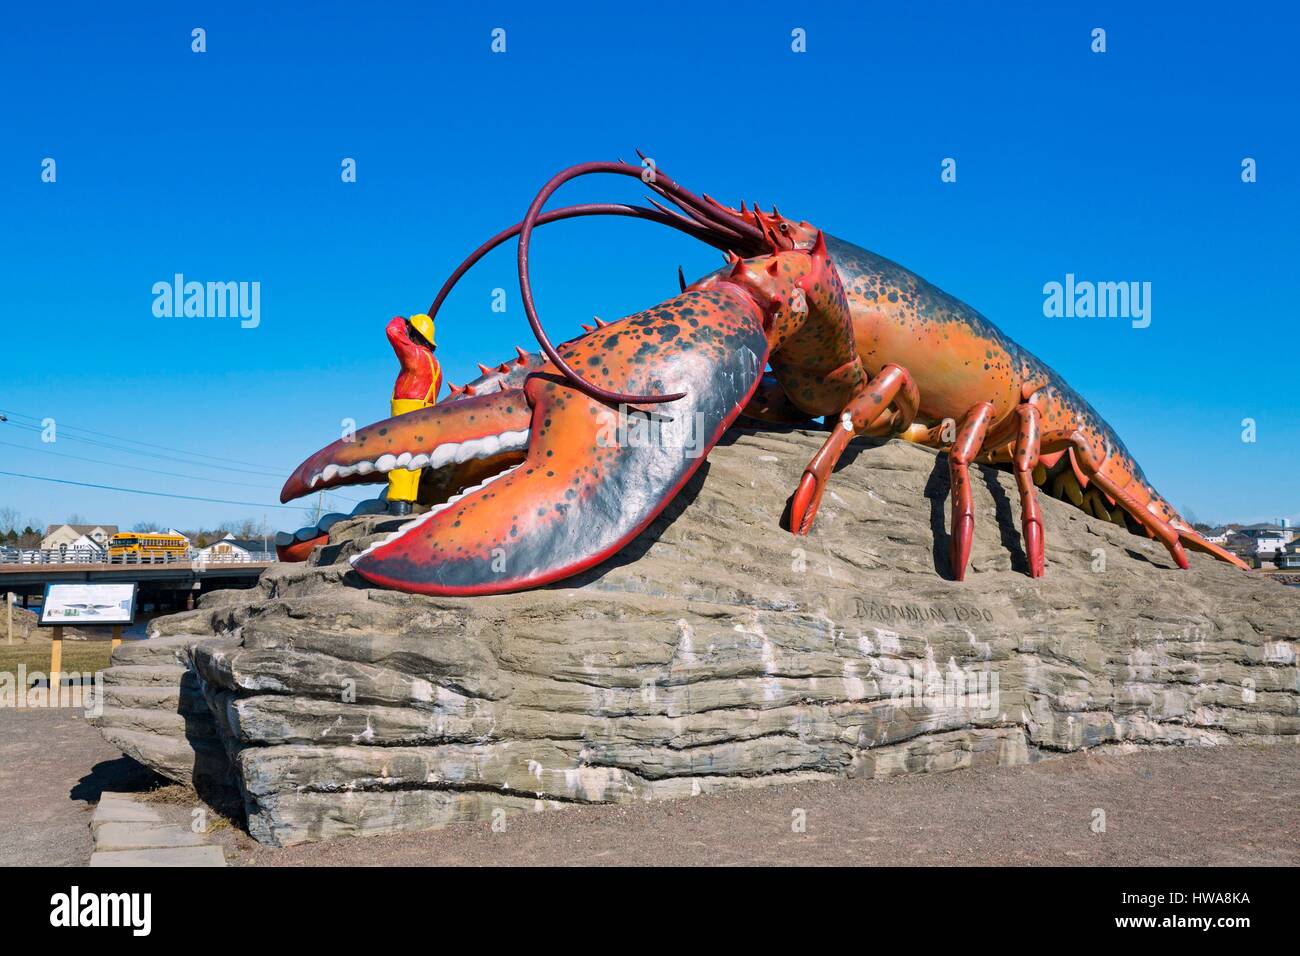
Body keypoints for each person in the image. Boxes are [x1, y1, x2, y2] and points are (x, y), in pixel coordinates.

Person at [385, 313, 442, 515]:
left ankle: (398, 505)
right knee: (414, 457)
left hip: (407, 410)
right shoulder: (435, 364)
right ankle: (407, 503)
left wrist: (400, 321)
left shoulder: (415, 355)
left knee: (400, 455)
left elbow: (392, 331)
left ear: (414, 334)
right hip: (426, 412)